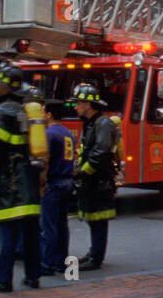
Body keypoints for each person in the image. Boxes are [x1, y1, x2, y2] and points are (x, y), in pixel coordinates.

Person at [0, 64, 42, 293]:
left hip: (10, 184)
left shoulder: (2, 112)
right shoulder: (23, 110)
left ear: (4, 86)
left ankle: (2, 280)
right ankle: (33, 276)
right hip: (28, 181)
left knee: (8, 234)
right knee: (31, 233)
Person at [72, 83, 117, 270]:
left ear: (88, 104)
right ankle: (93, 252)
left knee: (98, 220)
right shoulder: (91, 123)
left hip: (100, 182)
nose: (75, 107)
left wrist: (83, 171)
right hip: (92, 181)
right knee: (93, 219)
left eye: (78, 103)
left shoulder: (103, 123)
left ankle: (96, 258)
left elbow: (101, 152)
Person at [39, 99, 77, 276]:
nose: (40, 114)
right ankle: (62, 262)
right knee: (62, 224)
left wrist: (41, 183)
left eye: (42, 111)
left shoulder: (49, 133)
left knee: (49, 225)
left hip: (53, 183)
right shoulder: (68, 133)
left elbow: (45, 161)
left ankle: (47, 264)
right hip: (68, 181)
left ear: (49, 114)